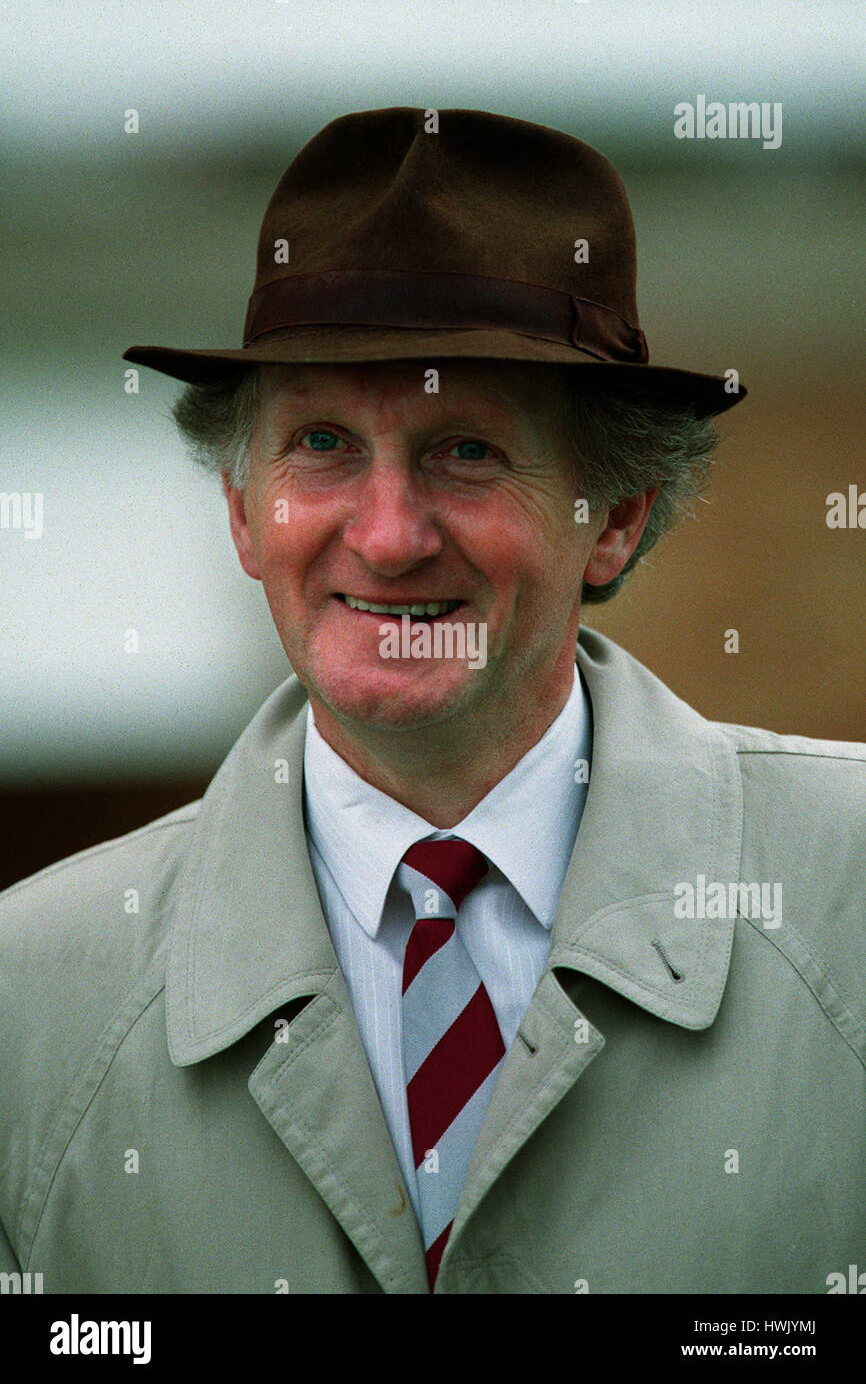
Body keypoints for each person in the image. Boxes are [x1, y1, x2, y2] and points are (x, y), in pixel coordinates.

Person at [1, 107, 863, 1296]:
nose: (391, 536)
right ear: (243, 512)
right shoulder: (29, 999)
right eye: (320, 442)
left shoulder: (847, 902)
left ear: (612, 517)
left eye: (466, 451)